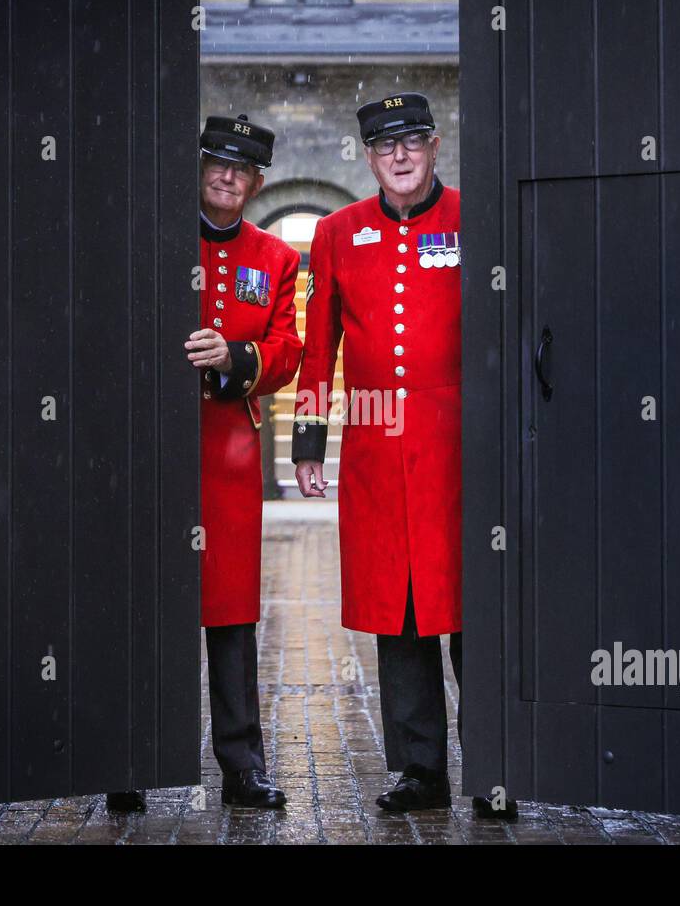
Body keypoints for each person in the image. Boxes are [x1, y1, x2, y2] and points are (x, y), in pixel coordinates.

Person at [292, 92, 515, 819]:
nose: (401, 155)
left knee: (477, 612)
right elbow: (318, 344)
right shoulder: (336, 231)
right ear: (368, 156)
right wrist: (307, 439)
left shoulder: (475, 219)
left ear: (434, 145)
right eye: (386, 146)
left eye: (413, 141)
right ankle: (420, 770)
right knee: (403, 611)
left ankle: (495, 767)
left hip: (461, 444)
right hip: (376, 452)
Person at [106, 113, 301, 813]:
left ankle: (242, 765)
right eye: (217, 162)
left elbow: (287, 350)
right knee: (147, 605)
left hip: (228, 455)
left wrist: (236, 359)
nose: (227, 175)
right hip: (155, 446)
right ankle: (129, 755)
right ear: (200, 167)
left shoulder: (276, 259)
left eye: (241, 168)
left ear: (256, 181)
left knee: (230, 613)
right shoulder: (157, 236)